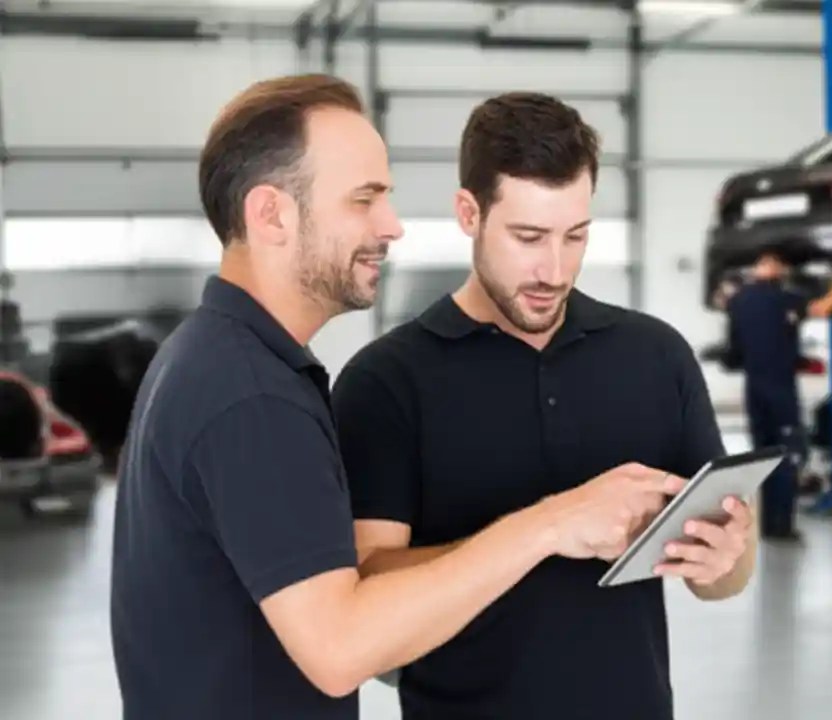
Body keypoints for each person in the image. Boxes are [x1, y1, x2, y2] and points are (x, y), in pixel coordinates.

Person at [109, 75, 682, 720]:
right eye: (364, 200)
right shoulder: (251, 396)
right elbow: (342, 649)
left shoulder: (213, 357)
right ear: (271, 214)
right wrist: (550, 523)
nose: (393, 225)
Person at [329, 91, 757, 720]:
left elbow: (723, 575)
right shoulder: (386, 381)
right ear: (468, 213)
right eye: (528, 236)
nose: (554, 270)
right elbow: (366, 589)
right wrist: (549, 526)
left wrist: (727, 558)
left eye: (576, 235)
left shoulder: (656, 355)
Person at [720, 252, 832, 540]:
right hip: (780, 390)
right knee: (789, 454)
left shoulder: (738, 301)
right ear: (777, 266)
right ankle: (782, 526)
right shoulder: (785, 297)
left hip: (754, 390)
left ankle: (767, 526)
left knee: (763, 456)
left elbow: (732, 352)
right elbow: (822, 309)